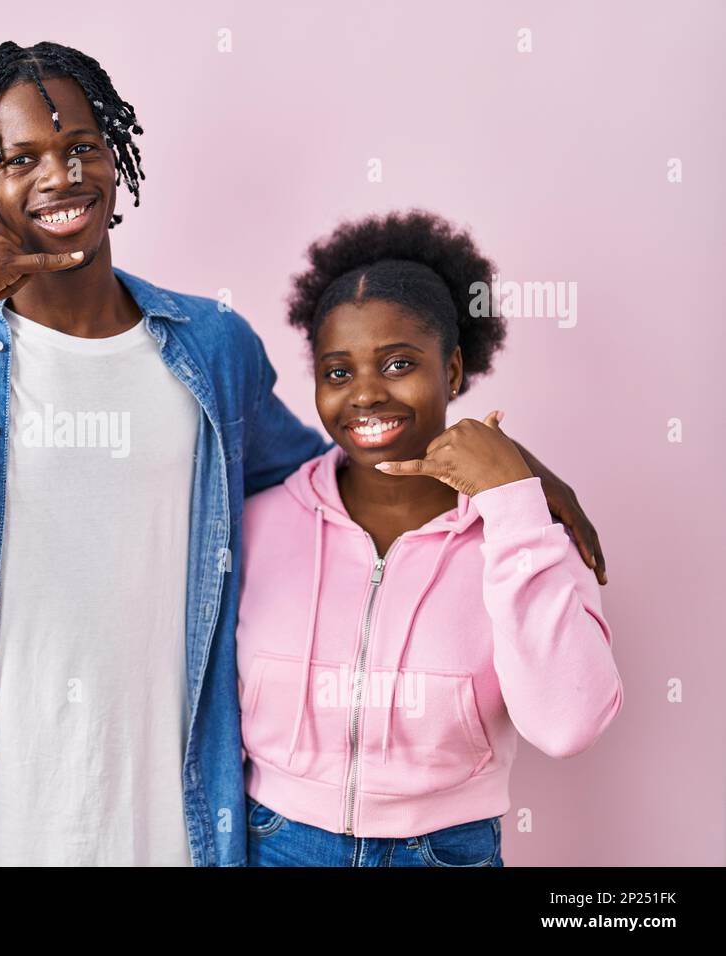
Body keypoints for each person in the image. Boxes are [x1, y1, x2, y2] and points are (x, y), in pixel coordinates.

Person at [0, 42, 604, 866]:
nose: (61, 176)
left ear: (116, 157)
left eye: (83, 145)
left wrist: (515, 474)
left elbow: (338, 476)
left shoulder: (210, 347)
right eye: (21, 159)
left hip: (176, 821)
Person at [238, 211, 623, 866]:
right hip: (275, 843)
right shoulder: (260, 519)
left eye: (397, 364)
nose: (365, 394)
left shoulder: (521, 528)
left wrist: (510, 502)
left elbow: (568, 725)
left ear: (451, 371)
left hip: (446, 851)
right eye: (337, 372)